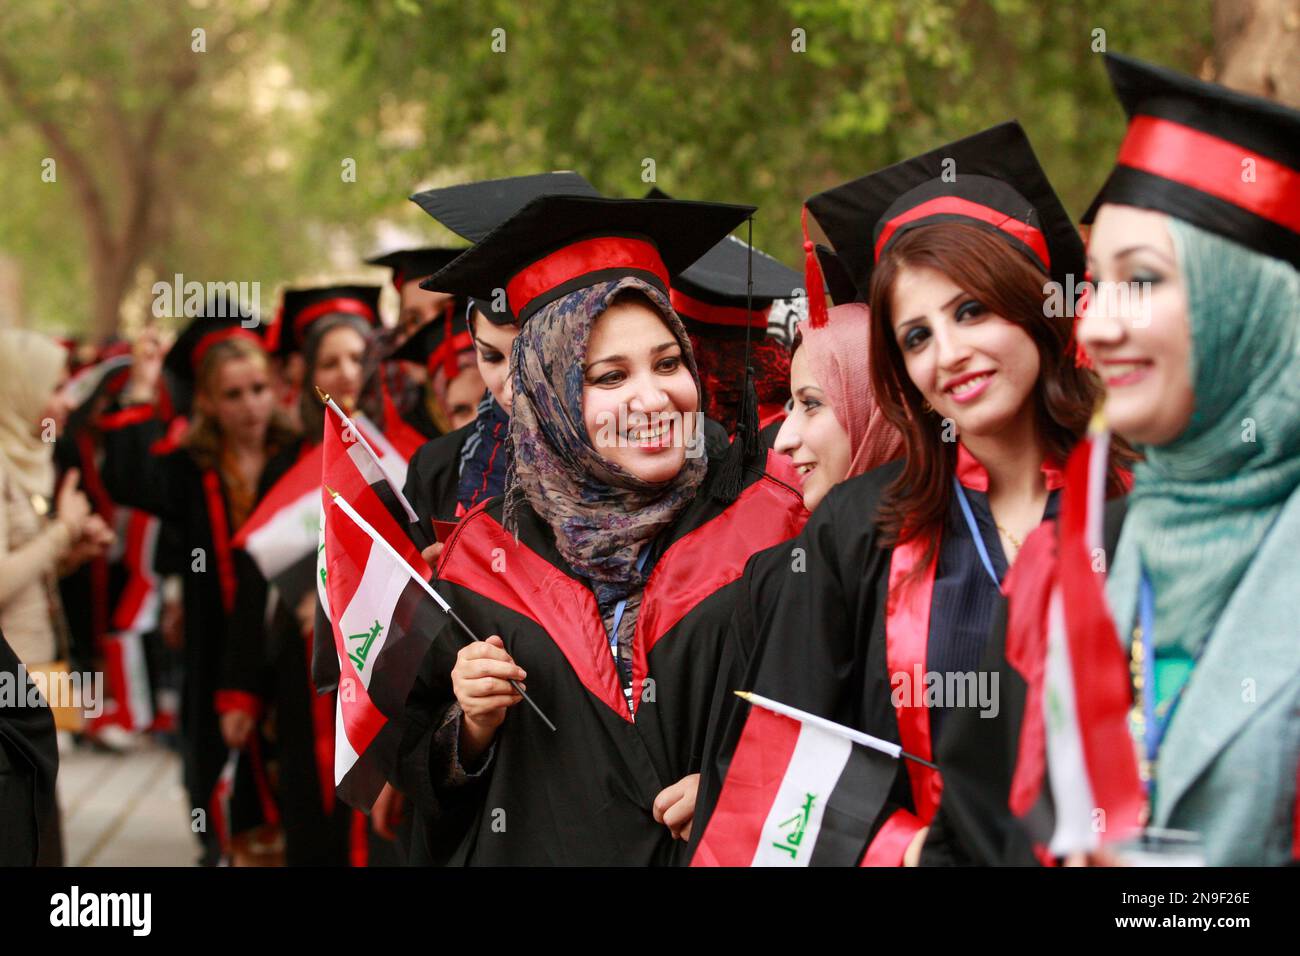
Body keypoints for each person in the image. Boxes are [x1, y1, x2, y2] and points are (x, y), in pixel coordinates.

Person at [689, 121, 1129, 866]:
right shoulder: (861, 530)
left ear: (1036, 309)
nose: (948, 354)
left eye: (971, 311)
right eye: (916, 336)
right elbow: (773, 773)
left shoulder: (1132, 508)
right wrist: (907, 851)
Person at [389, 191, 808, 865]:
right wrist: (467, 727)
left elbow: (841, 724)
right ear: (548, 395)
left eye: (668, 363)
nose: (653, 397)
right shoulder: (483, 560)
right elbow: (423, 789)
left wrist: (745, 786)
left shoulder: (777, 523)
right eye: (608, 376)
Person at [984, 53, 1300, 867]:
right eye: (1096, 283)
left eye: (1144, 280)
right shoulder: (1084, 555)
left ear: (1253, 303)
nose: (1095, 328)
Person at [101, 314, 298, 864]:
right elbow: (127, 476)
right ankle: (225, 850)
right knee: (215, 756)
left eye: (258, 389)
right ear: (207, 402)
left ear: (276, 389)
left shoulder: (299, 453)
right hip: (213, 640)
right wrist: (141, 386)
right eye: (232, 395)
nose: (250, 406)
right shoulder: (192, 466)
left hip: (285, 639)